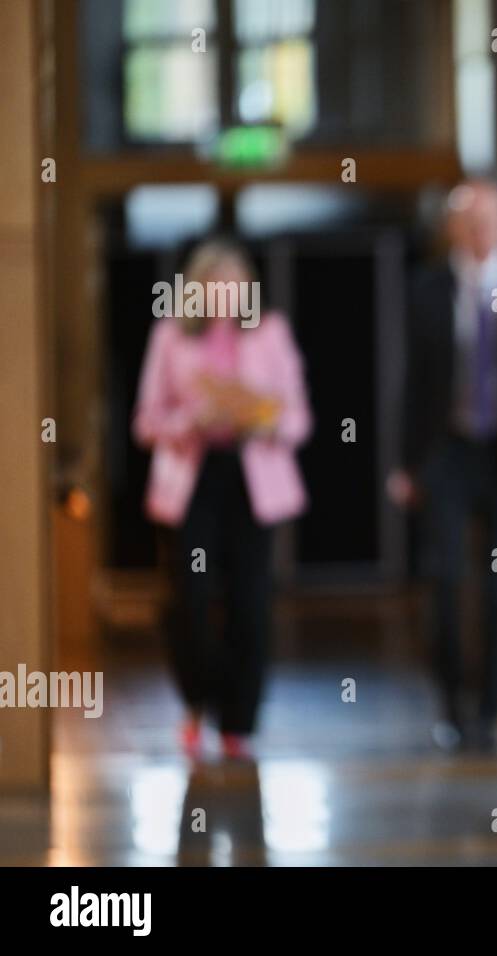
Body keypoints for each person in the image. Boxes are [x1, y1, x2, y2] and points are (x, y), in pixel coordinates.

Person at [389, 178, 497, 754]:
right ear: (454, 228)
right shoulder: (428, 287)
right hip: (446, 453)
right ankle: (451, 705)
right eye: (469, 220)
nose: (481, 230)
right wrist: (403, 463)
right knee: (443, 580)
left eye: (490, 218)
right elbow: (411, 381)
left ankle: (490, 709)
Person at [133, 236, 312, 761]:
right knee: (187, 600)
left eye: (234, 285)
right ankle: (196, 700)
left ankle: (238, 721)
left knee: (250, 604)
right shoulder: (170, 337)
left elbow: (298, 417)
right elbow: (145, 420)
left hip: (252, 478)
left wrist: (261, 419)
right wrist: (194, 420)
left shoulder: (271, 334)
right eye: (214, 285)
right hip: (192, 478)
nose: (225, 295)